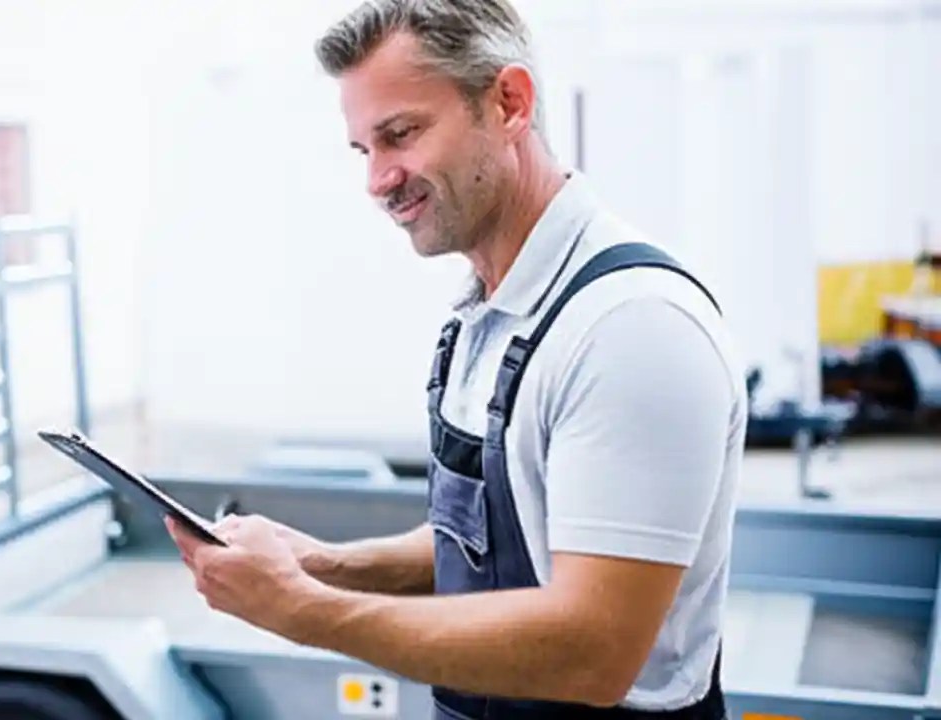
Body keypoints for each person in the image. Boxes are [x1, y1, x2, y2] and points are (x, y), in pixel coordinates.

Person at [165, 1, 746, 718]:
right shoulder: (491, 313)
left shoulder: (631, 329)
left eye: (400, 134)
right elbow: (487, 545)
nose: (378, 179)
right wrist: (319, 562)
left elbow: (593, 650)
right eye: (364, 150)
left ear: (509, 104)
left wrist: (300, 607)